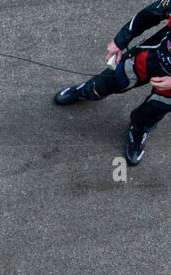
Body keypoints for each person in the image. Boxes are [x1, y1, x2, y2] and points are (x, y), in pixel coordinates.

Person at [55, 2, 171, 164]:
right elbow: (150, 14)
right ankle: (85, 91)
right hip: (152, 57)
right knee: (107, 82)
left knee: (153, 111)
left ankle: (138, 131)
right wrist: (120, 40)